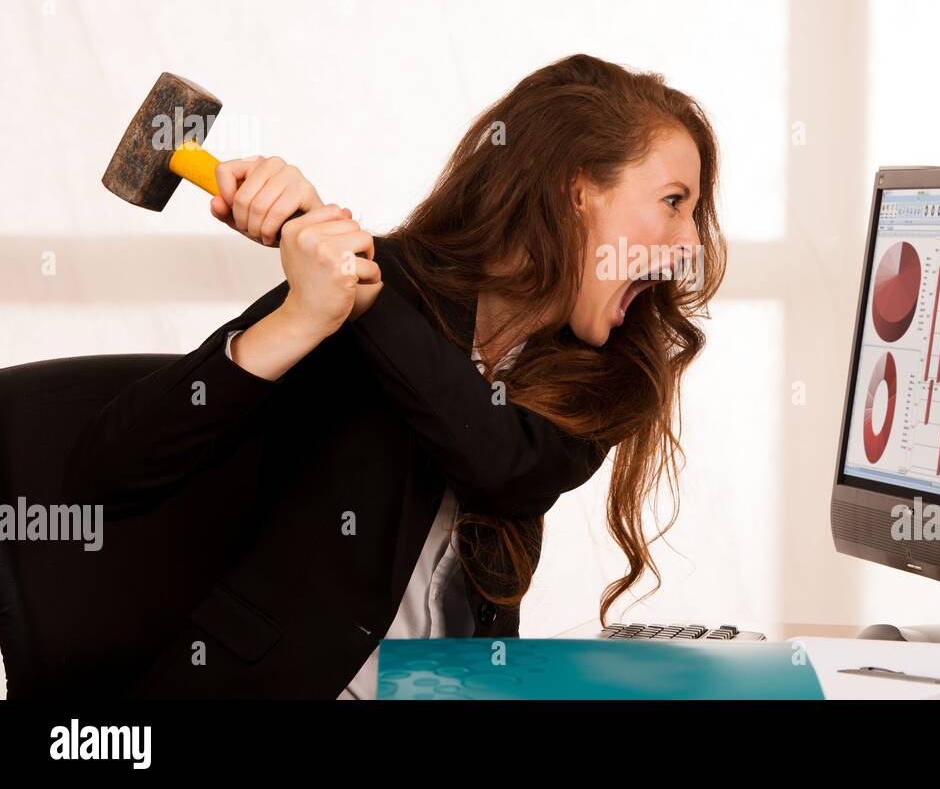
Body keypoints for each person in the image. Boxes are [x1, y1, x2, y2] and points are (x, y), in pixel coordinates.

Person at [62, 53, 726, 698]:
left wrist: (367, 300)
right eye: (673, 201)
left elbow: (504, 466)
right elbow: (104, 474)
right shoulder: (355, 287)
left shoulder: (610, 374)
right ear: (575, 190)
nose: (691, 244)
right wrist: (300, 320)